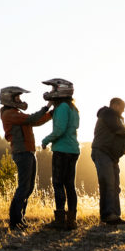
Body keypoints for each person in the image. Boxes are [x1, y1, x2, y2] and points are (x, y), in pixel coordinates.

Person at [0, 86, 53, 231]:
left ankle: (20, 218)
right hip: (22, 153)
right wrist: (47, 107)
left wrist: (50, 114)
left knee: (29, 187)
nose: (20, 99)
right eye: (17, 97)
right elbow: (32, 118)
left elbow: (36, 121)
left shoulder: (16, 113)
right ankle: (15, 220)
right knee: (23, 187)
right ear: (9, 98)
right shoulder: (10, 114)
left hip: (28, 152)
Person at [90, 97, 125, 225]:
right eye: (122, 107)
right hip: (102, 152)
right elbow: (118, 130)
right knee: (108, 184)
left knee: (115, 186)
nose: (123, 110)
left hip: (112, 156)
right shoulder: (107, 113)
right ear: (115, 105)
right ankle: (108, 215)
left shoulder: (117, 118)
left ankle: (115, 215)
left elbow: (124, 136)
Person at [39, 78, 80, 230]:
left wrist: (46, 140)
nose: (51, 92)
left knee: (58, 184)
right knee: (70, 185)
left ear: (60, 90)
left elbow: (59, 130)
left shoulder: (62, 107)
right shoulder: (73, 108)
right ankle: (72, 220)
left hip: (62, 150)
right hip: (73, 149)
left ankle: (60, 220)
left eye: (53, 89)